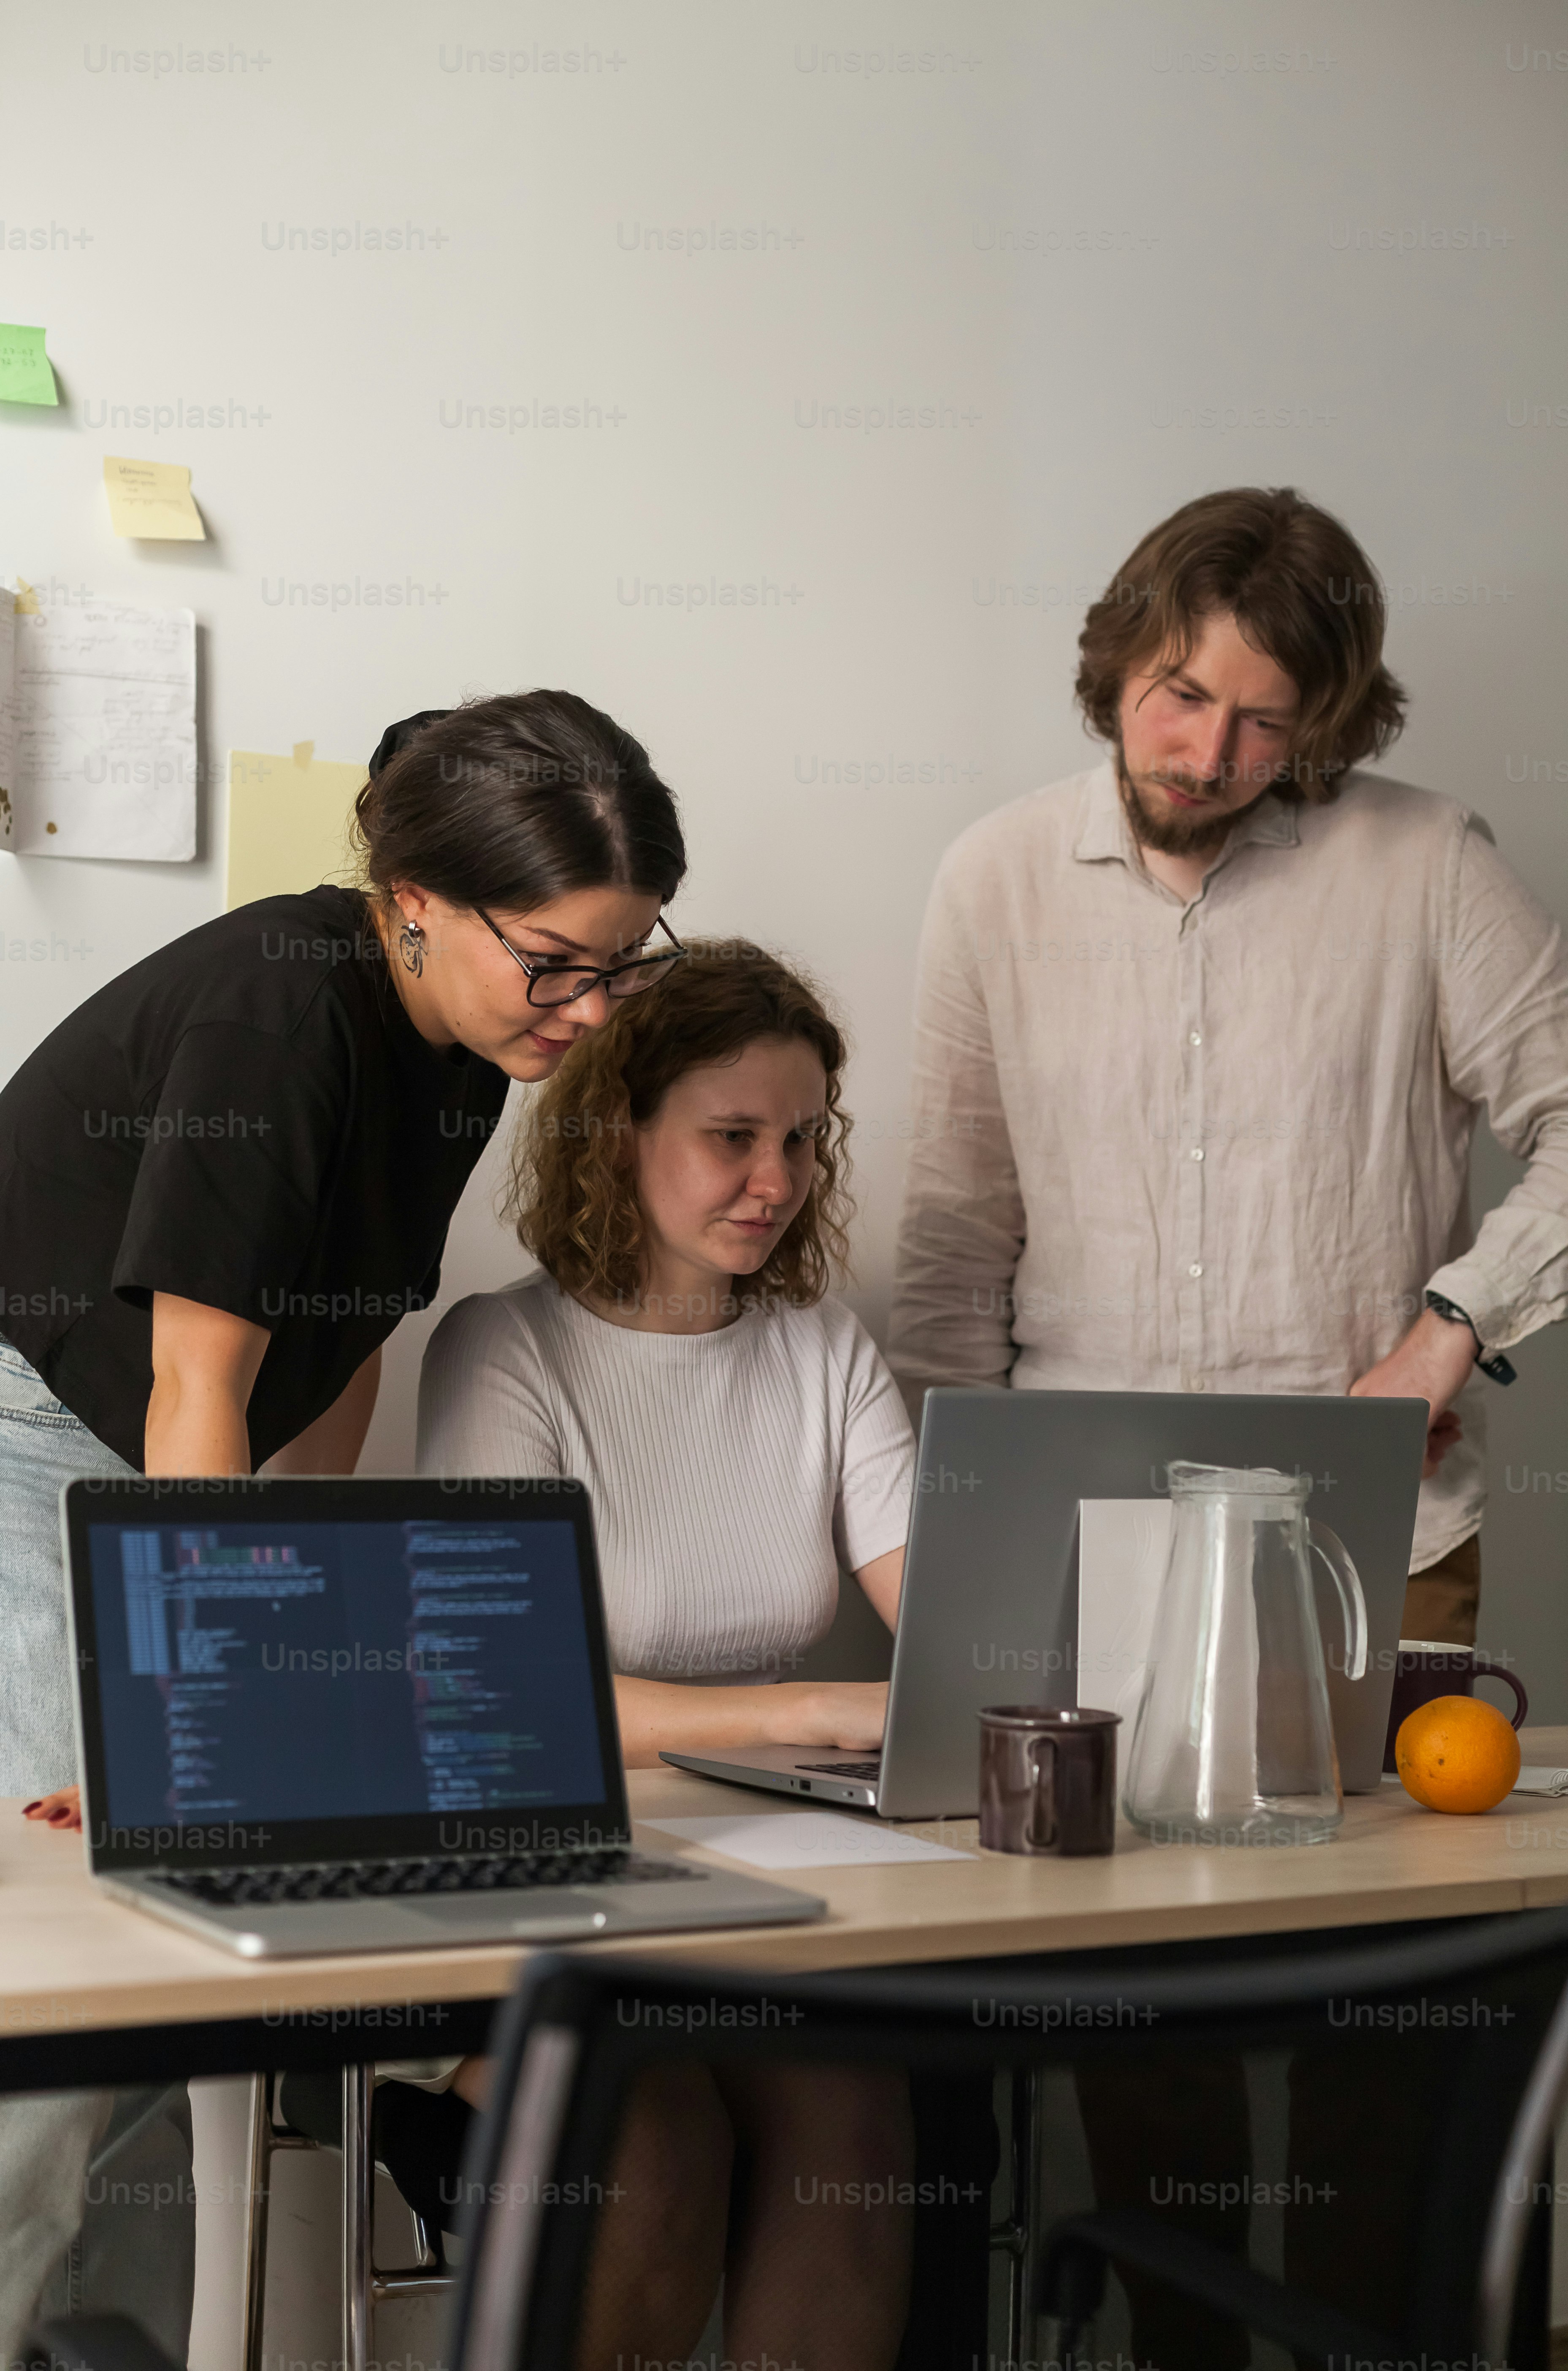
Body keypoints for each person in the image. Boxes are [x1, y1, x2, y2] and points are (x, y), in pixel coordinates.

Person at [888, 484, 1568, 2363]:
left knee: (1393, 2027)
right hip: (1081, 1550)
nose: (1209, 754)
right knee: (1144, 2031)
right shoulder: (991, 877)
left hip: (1383, 1548)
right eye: (1179, 695)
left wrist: (1449, 1330)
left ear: (1331, 725)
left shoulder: (1426, 865)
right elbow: (948, 1237)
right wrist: (937, 1545)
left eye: (1269, 721)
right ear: (1117, 659)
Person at [0, 689, 686, 2359]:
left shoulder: (462, 1049)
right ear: (416, 905)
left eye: (626, 961)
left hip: (158, 1446)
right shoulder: (278, 1016)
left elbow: (335, 1342)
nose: (591, 1012)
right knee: (73, 1956)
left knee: (205, 1949)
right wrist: (203, 1715)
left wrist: (305, 1630)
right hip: (29, 1433)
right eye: (556, 964)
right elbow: (198, 1388)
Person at [415, 943, 919, 2371]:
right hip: (531, 1895)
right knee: (653, 2134)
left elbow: (944, 1631)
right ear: (614, 1135)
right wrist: (813, 1709)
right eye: (733, 1138)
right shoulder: (504, 1351)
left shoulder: (824, 1351)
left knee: (852, 2113)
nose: (779, 1178)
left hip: (760, 1888)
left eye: (803, 1139)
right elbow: (495, 1689)